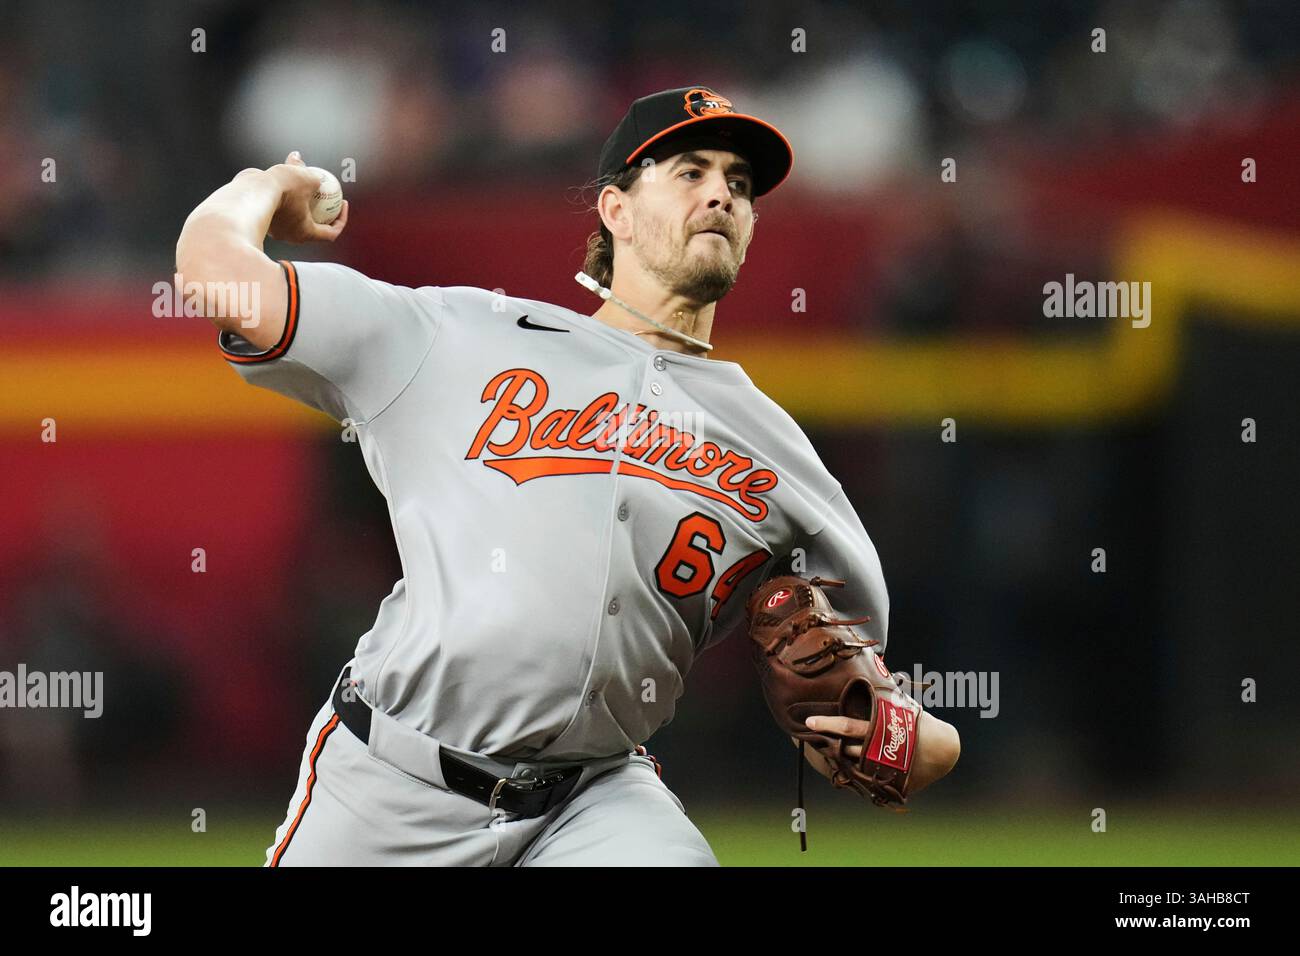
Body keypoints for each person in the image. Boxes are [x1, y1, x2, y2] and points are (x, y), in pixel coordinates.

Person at [174, 85, 959, 867]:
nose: (721, 192)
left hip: (595, 803)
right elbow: (214, 271)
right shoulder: (453, 335)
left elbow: (894, 721)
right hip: (389, 782)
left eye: (740, 185)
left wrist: (903, 742)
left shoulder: (776, 448)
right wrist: (265, 188)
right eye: (690, 172)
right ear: (614, 211)